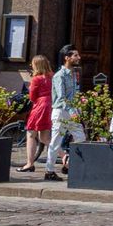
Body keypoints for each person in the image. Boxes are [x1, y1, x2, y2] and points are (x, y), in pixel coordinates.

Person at [44, 46, 83, 181]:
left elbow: (72, 95)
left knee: (81, 137)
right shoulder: (59, 75)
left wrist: (81, 102)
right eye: (75, 56)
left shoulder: (73, 74)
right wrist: (72, 111)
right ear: (67, 58)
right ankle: (49, 171)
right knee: (55, 142)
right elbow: (61, 97)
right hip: (61, 112)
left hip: (71, 111)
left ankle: (68, 164)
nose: (78, 58)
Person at [16, 55, 52, 173]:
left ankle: (29, 164)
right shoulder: (52, 76)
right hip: (50, 105)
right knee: (45, 137)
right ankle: (64, 156)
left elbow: (32, 97)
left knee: (31, 134)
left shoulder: (37, 79)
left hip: (40, 106)